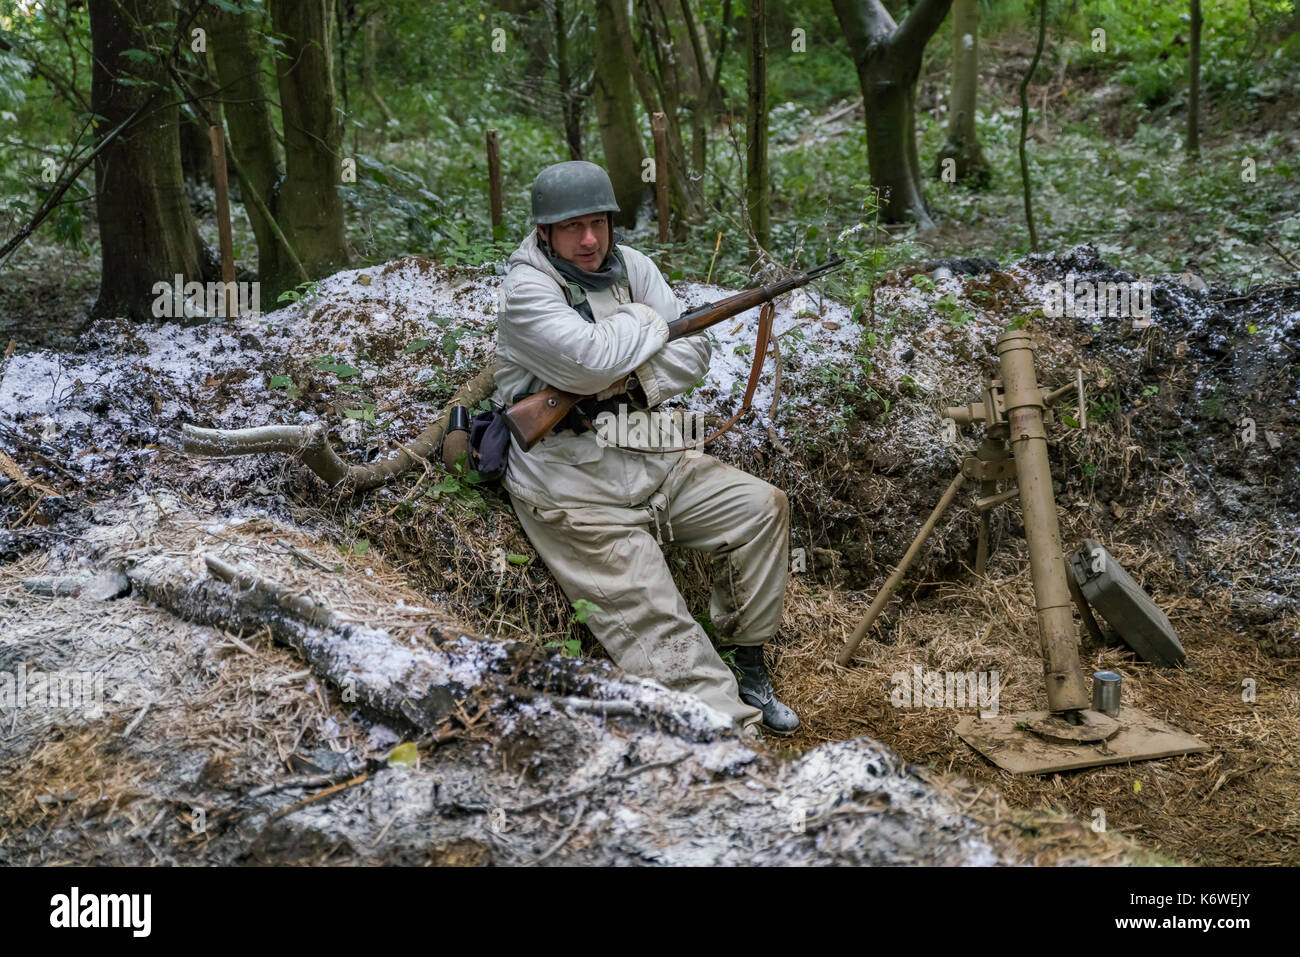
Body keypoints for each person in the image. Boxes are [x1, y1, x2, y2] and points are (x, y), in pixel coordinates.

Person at [492, 160, 798, 737]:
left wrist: (622, 376)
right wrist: (643, 326)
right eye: (572, 227)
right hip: (576, 494)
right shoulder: (526, 292)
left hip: (652, 456)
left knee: (760, 509)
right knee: (663, 632)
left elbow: (693, 353)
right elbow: (586, 361)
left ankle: (748, 665)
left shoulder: (633, 265)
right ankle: (734, 743)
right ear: (545, 233)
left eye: (598, 223)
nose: (589, 240)